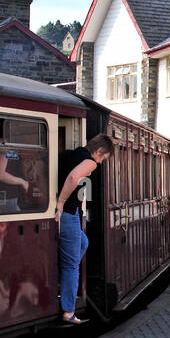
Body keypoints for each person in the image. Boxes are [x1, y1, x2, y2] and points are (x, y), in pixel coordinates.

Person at [55, 133, 114, 325]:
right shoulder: (90, 162)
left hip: (65, 215)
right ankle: (68, 311)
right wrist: (61, 202)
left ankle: (62, 278)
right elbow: (73, 177)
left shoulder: (69, 154)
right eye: (103, 158)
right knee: (72, 266)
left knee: (83, 242)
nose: (101, 162)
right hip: (68, 214)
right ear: (98, 151)